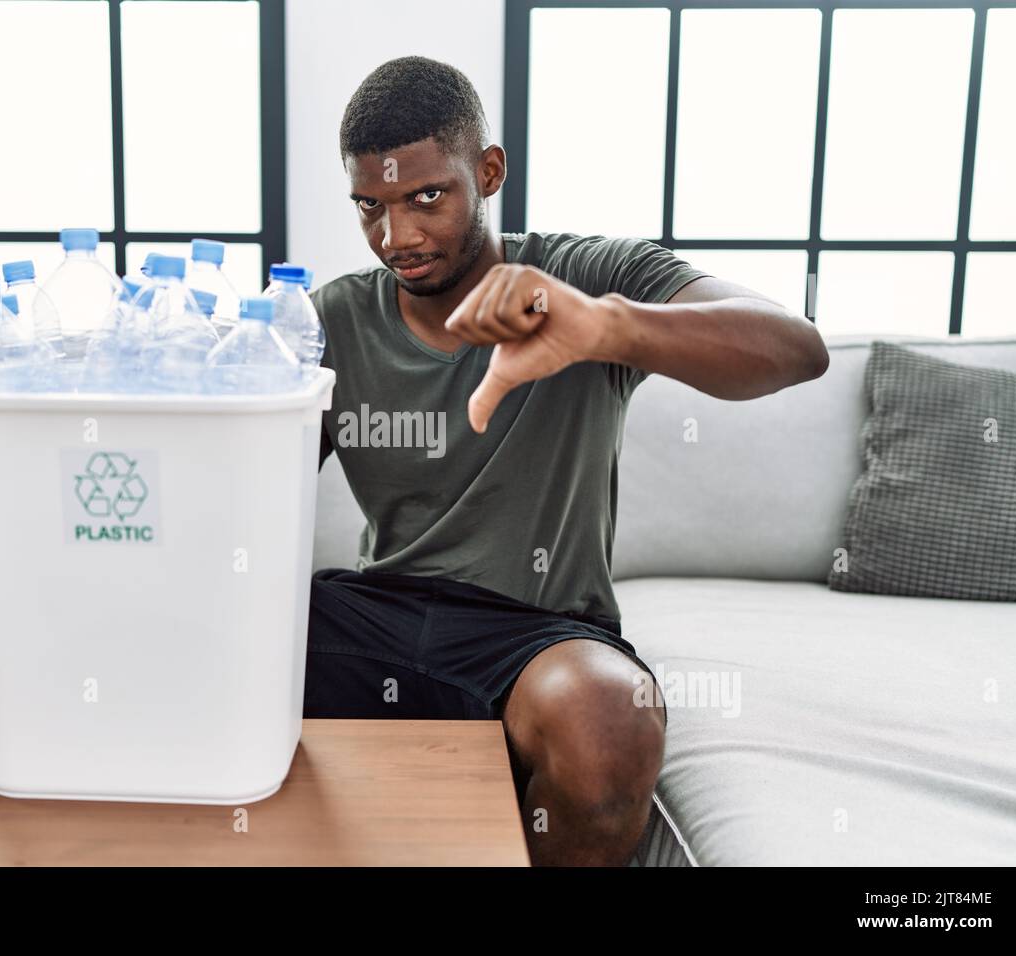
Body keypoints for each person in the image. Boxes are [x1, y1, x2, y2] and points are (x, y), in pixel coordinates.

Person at [304, 55, 829, 866]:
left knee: (608, 719)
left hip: (538, 635)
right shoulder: (331, 320)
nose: (396, 236)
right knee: (192, 641)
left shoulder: (589, 277)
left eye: (426, 198)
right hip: (377, 617)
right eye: (369, 206)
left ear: (488, 171)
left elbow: (796, 350)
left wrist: (606, 328)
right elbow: (242, 486)